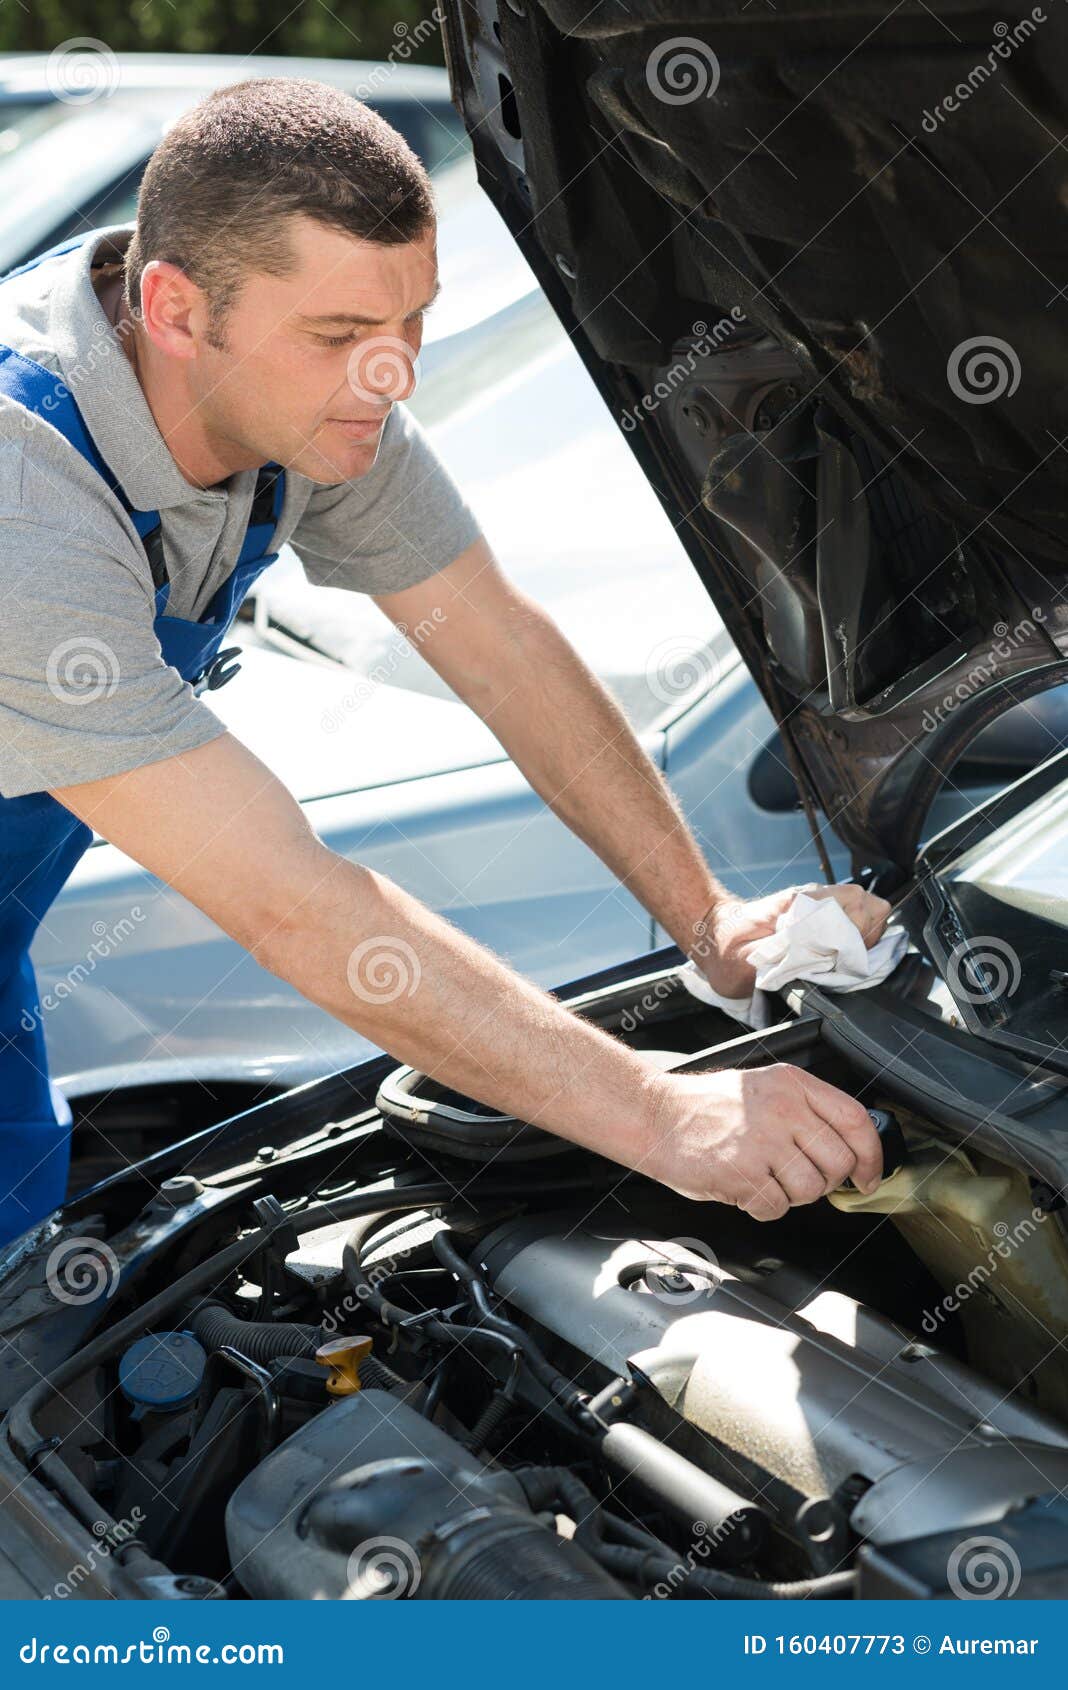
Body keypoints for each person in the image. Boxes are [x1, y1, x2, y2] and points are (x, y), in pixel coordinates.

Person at [0, 77, 890, 1246]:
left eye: (410, 322)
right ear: (172, 306)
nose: (394, 375)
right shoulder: (27, 499)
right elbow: (290, 904)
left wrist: (709, 919)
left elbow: (497, 639)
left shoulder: (294, 395)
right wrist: (663, 1117)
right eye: (341, 336)